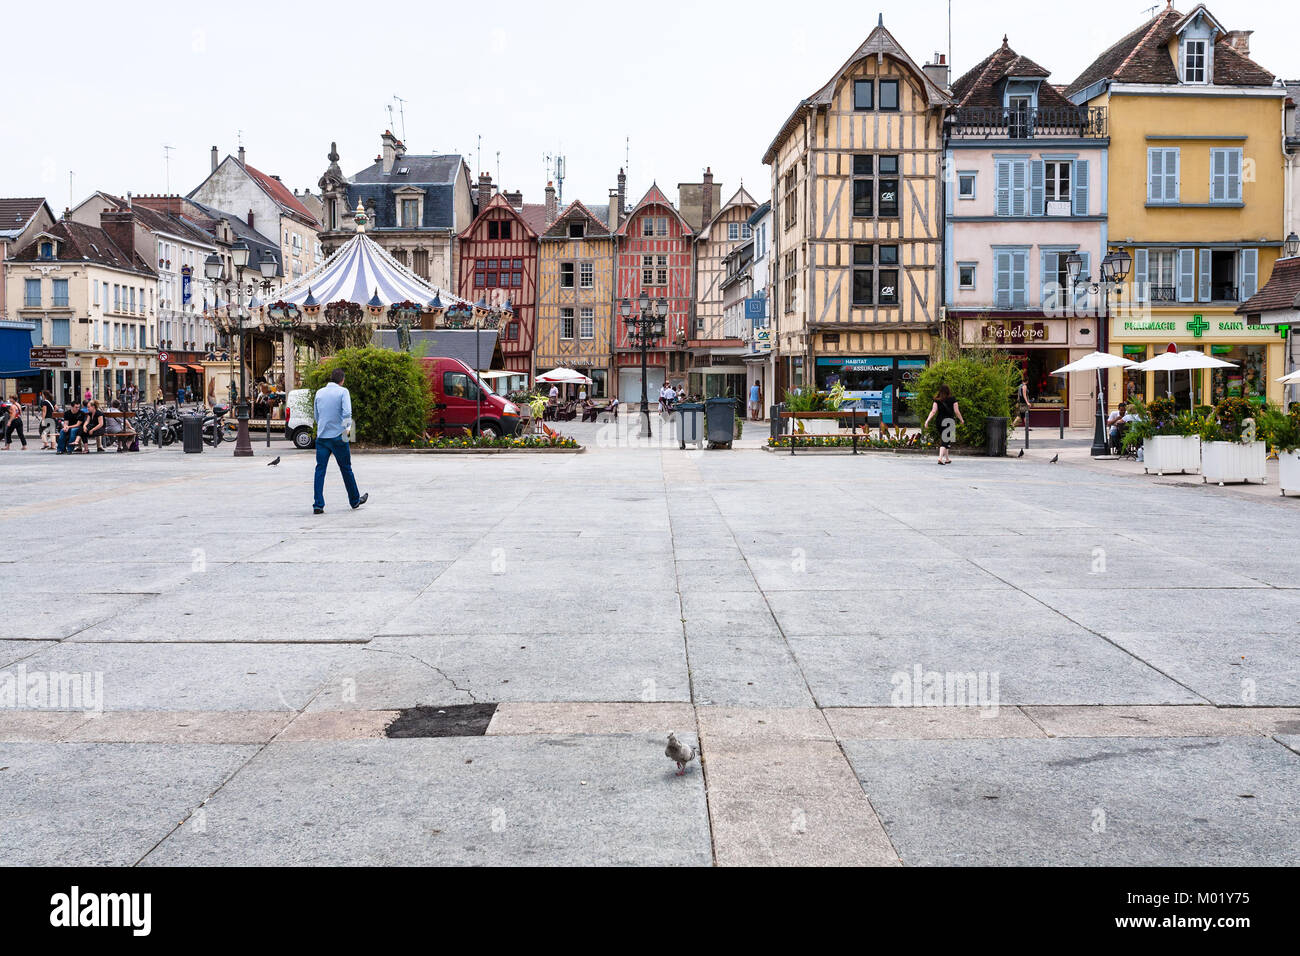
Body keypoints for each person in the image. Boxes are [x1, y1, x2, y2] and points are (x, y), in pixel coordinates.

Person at [312, 368, 367, 515]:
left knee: (320, 470)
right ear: (342, 380)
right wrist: (347, 432)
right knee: (346, 468)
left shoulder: (319, 392)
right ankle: (354, 500)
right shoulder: (343, 392)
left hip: (322, 437)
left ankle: (318, 504)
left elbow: (316, 415)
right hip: (338, 436)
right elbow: (347, 412)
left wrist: (323, 427)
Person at [924, 384, 964, 465]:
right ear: (948, 391)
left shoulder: (937, 400)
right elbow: (956, 411)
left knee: (946, 439)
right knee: (945, 441)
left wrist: (927, 421)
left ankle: (947, 459)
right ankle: (940, 458)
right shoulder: (953, 399)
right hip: (949, 421)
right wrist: (961, 419)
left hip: (939, 421)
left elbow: (933, 411)